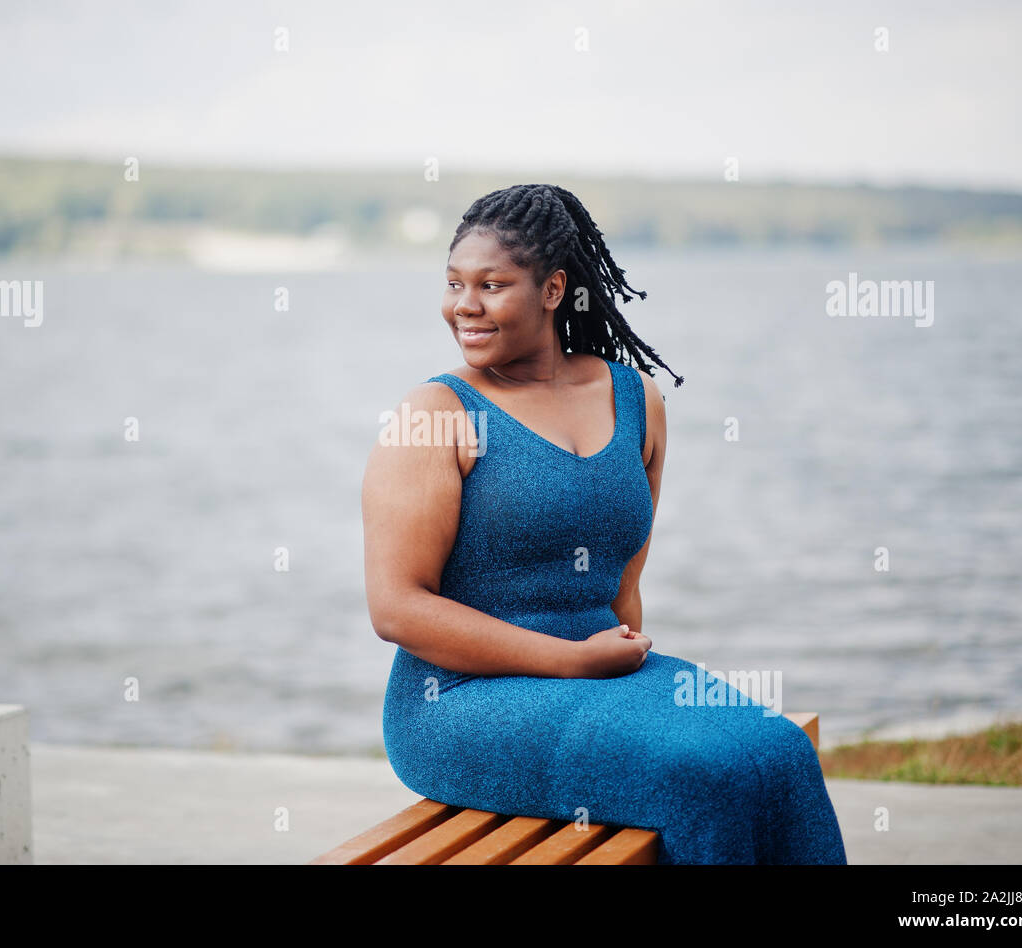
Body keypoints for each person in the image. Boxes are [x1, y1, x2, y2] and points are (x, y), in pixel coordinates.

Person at [360, 183, 847, 864]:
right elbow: (398, 609)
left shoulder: (633, 397)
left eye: (491, 285)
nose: (463, 306)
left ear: (554, 289)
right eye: (453, 284)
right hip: (457, 704)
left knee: (781, 752)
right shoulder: (434, 413)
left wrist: (618, 668)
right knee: (705, 772)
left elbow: (623, 586)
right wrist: (573, 661)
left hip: (598, 679)